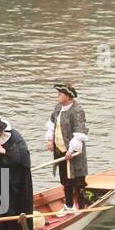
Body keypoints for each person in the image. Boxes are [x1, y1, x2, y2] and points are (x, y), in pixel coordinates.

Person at [44, 84, 89, 212]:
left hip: (74, 153)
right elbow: (52, 124)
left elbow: (80, 133)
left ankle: (81, 208)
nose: (57, 96)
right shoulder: (58, 107)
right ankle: (69, 206)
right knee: (65, 180)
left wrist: (70, 151)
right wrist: (50, 140)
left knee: (78, 181)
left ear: (68, 97)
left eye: (60, 94)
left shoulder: (77, 111)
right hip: (60, 151)